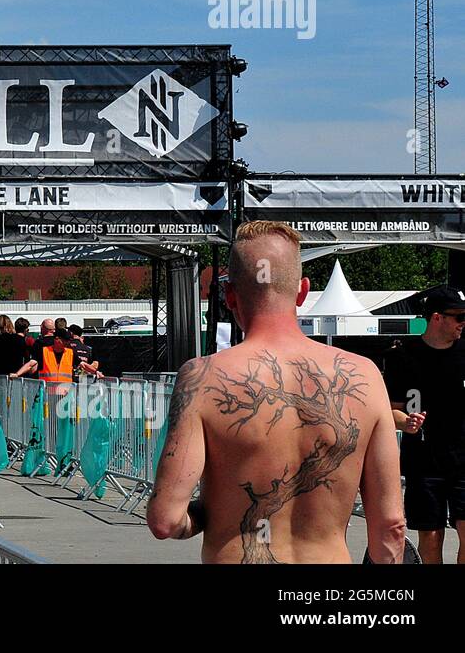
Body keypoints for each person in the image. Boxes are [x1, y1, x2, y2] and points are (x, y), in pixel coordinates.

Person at [146, 221, 405, 563]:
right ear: (302, 291)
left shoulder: (203, 378)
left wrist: (214, 511)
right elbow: (390, 525)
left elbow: (166, 520)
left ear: (229, 296)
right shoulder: (365, 375)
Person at [382, 283, 465, 564]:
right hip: (424, 460)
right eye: (459, 317)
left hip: (464, 457)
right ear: (436, 317)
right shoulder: (402, 355)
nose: (463, 323)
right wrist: (406, 423)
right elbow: (391, 410)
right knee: (430, 537)